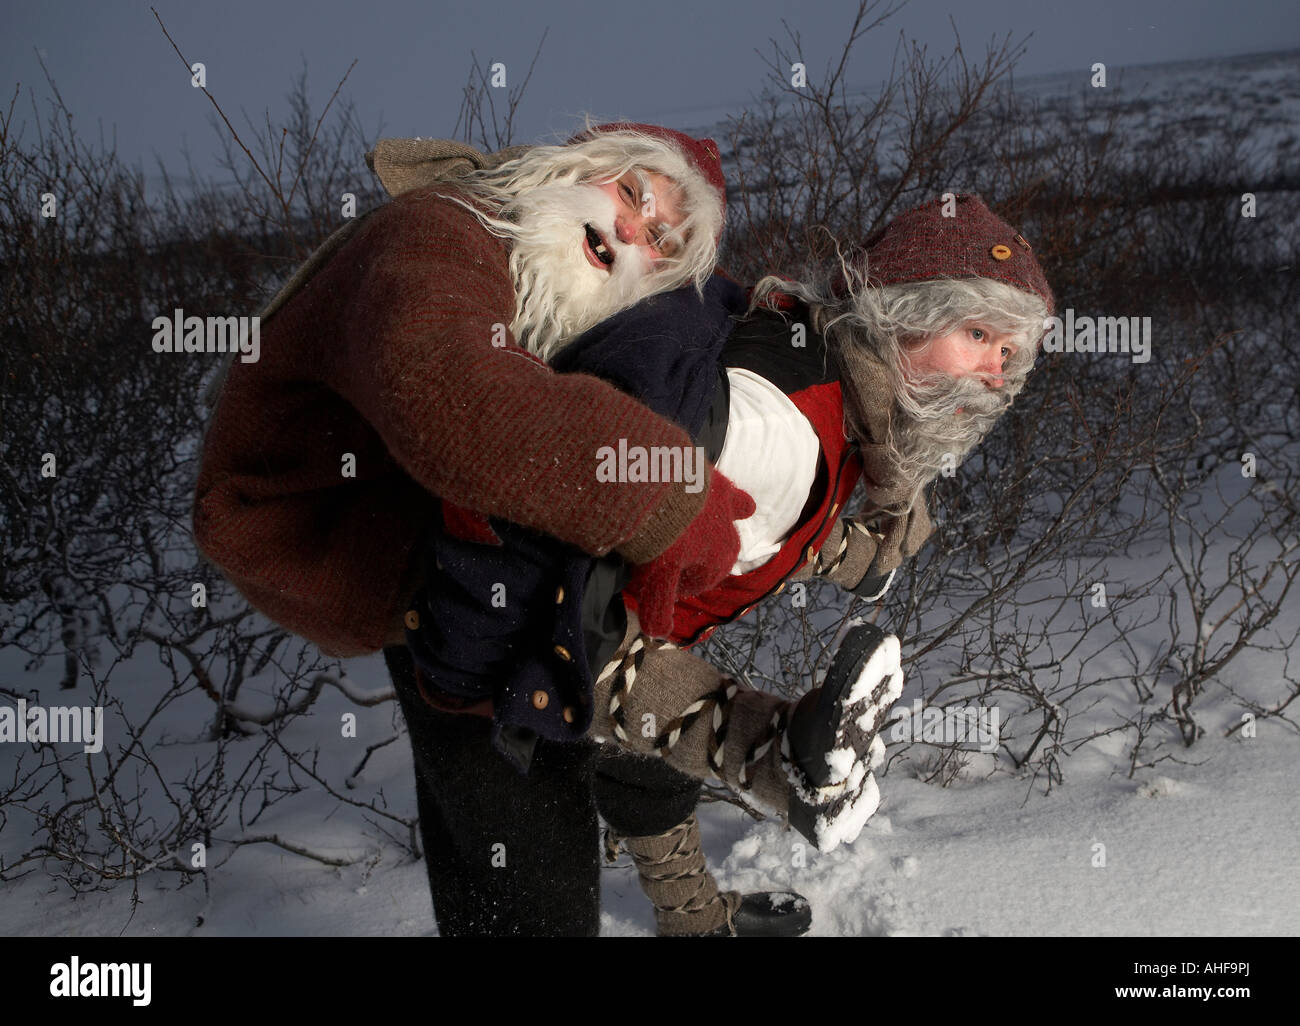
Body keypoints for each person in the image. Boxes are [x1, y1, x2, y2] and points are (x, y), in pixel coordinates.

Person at [194, 122, 812, 937]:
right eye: (633, 192)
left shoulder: (544, 273)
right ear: (580, 165)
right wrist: (671, 495)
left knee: (592, 668)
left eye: (663, 241)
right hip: (365, 540)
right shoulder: (441, 227)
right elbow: (453, 397)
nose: (634, 228)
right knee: (521, 809)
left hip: (424, 522)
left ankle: (689, 903)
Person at [402, 191, 1056, 934]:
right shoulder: (775, 436)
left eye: (1009, 353)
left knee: (647, 763)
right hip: (477, 616)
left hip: (595, 610)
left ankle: (692, 920)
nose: (997, 374)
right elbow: (576, 605)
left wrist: (847, 553)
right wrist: (761, 741)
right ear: (899, 313)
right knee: (532, 897)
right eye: (977, 333)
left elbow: (736, 523)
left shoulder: (810, 362)